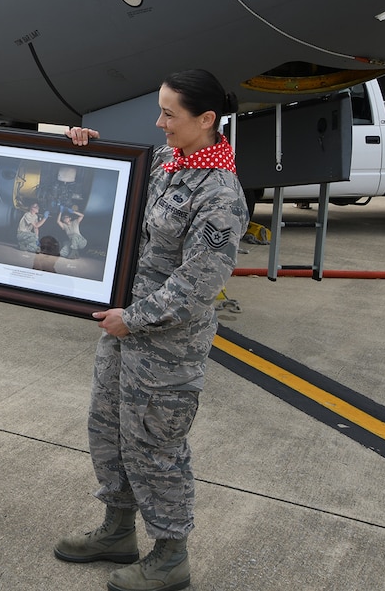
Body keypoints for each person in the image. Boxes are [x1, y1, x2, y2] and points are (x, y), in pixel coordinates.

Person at [53, 69, 248, 591]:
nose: (159, 123)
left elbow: (198, 284)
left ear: (206, 120)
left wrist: (132, 319)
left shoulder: (220, 195)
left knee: (156, 447)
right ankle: (118, 530)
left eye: (169, 114)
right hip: (124, 331)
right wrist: (88, 147)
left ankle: (170, 555)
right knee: (108, 429)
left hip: (166, 348)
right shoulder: (168, 161)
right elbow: (123, 178)